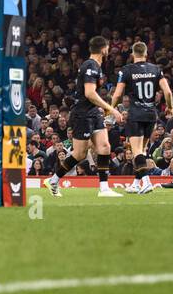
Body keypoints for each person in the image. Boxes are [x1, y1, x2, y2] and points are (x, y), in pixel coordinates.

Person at [47, 35, 124, 198]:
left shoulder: (96, 65)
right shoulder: (90, 65)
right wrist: (111, 108)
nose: (108, 50)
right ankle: (53, 180)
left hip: (93, 112)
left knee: (105, 147)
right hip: (82, 114)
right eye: (108, 48)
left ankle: (104, 188)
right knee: (80, 154)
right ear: (103, 49)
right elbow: (89, 93)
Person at [110, 41, 173, 194]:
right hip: (151, 115)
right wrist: (170, 107)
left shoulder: (126, 70)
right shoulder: (156, 69)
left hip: (135, 115)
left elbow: (118, 94)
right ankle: (136, 183)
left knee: (136, 150)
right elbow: (168, 92)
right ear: (146, 54)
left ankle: (146, 182)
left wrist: (111, 109)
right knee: (142, 150)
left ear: (132, 54)